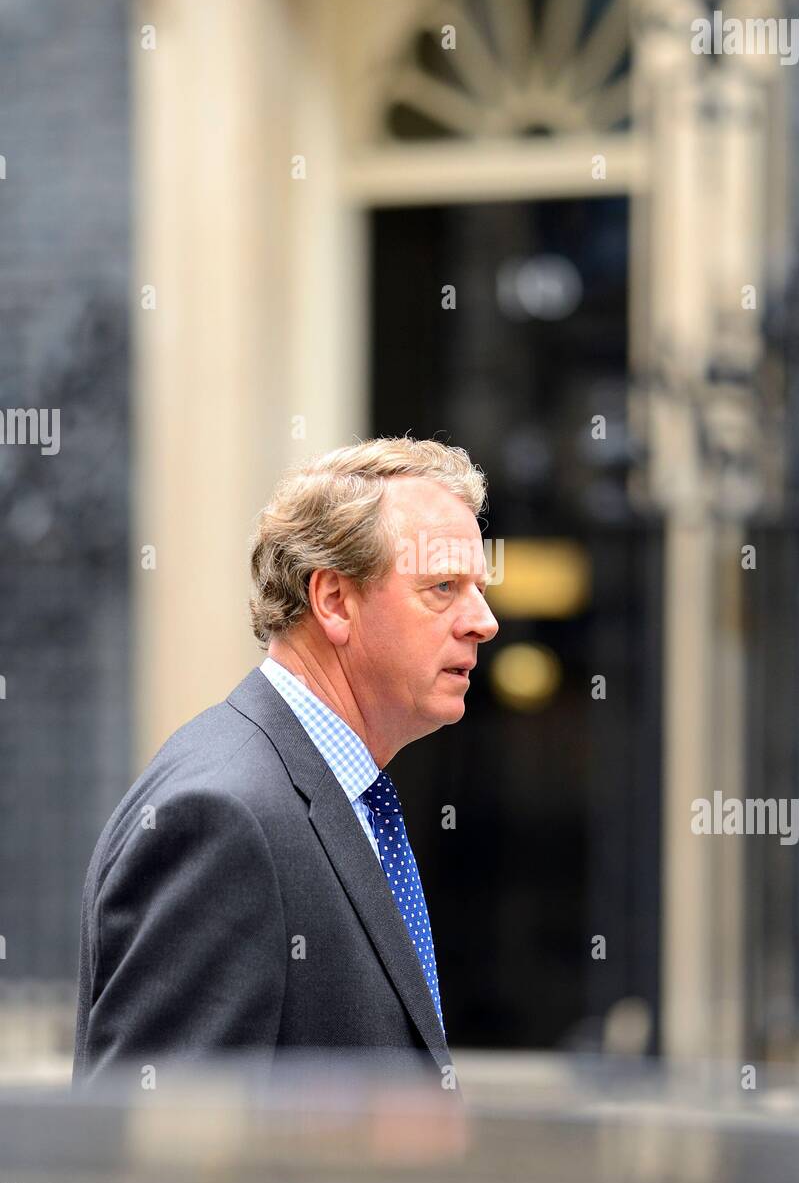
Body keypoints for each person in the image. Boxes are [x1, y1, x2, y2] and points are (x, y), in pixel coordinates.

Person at [71, 437, 499, 1095]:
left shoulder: (328, 790)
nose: (483, 621)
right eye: (442, 587)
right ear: (332, 600)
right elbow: (153, 1159)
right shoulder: (223, 816)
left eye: (477, 588)